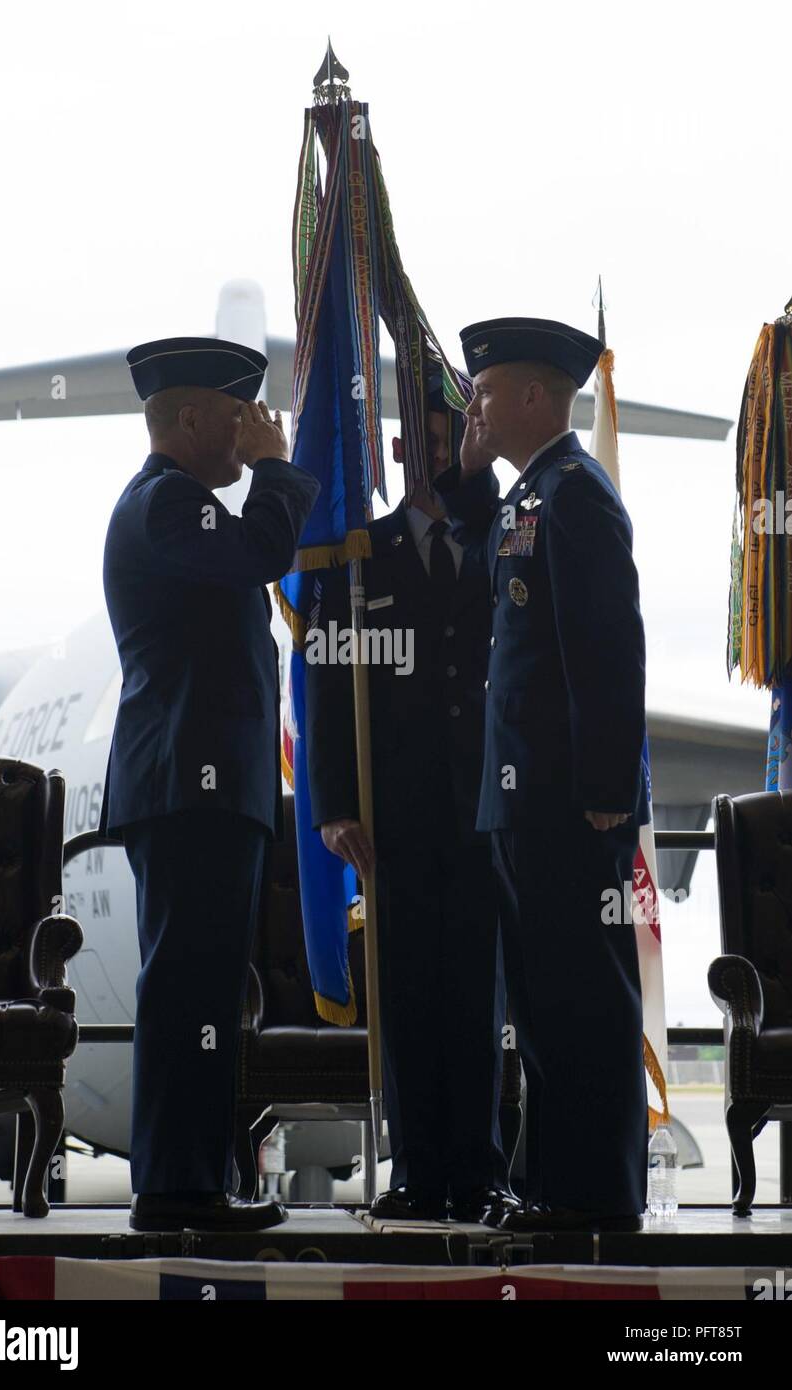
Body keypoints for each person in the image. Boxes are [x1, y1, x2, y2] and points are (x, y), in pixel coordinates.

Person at [99, 336, 319, 1232]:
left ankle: (192, 1179)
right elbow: (260, 552)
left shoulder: (179, 507)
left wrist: (264, 466)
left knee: (203, 990)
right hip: (188, 789)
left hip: (208, 788)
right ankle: (176, 1189)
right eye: (236, 418)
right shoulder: (165, 506)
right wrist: (279, 470)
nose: (251, 432)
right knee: (188, 989)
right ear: (186, 420)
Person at [434, 317, 649, 1233]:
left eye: (483, 392)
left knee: (580, 1000)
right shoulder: (531, 498)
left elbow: (607, 653)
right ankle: (556, 1183)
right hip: (520, 799)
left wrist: (607, 790)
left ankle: (594, 1192)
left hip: (569, 803)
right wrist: (469, 467)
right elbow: (486, 560)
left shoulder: (577, 497)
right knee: (541, 998)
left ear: (532, 396)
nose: (471, 407)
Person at [305, 373, 515, 1223]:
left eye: (447, 440)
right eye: (423, 443)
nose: (435, 457)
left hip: (482, 810)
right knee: (406, 999)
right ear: (396, 451)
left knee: (477, 1000)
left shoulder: (500, 539)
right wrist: (332, 804)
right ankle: (416, 1172)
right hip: (390, 816)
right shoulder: (359, 558)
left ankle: (483, 1173)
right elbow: (322, 681)